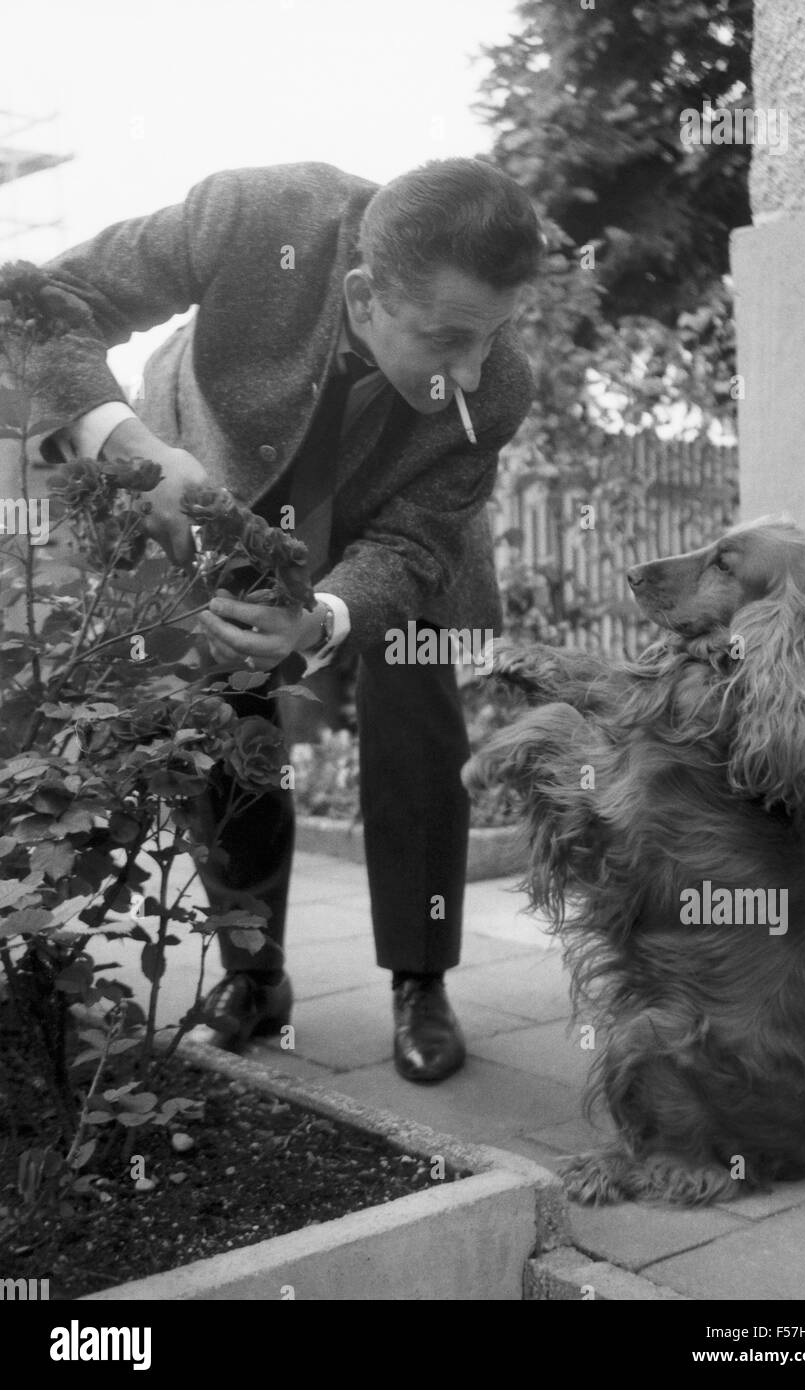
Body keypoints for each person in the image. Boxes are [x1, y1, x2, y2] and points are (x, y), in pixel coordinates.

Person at [36, 157, 542, 1081]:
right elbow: (41, 300)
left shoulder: (496, 384)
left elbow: (416, 541)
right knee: (226, 730)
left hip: (396, 546)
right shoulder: (252, 216)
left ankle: (419, 980)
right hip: (219, 490)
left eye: (493, 335)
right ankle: (254, 974)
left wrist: (326, 622)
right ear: (361, 296)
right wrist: (136, 447)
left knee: (420, 733)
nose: (472, 371)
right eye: (448, 338)